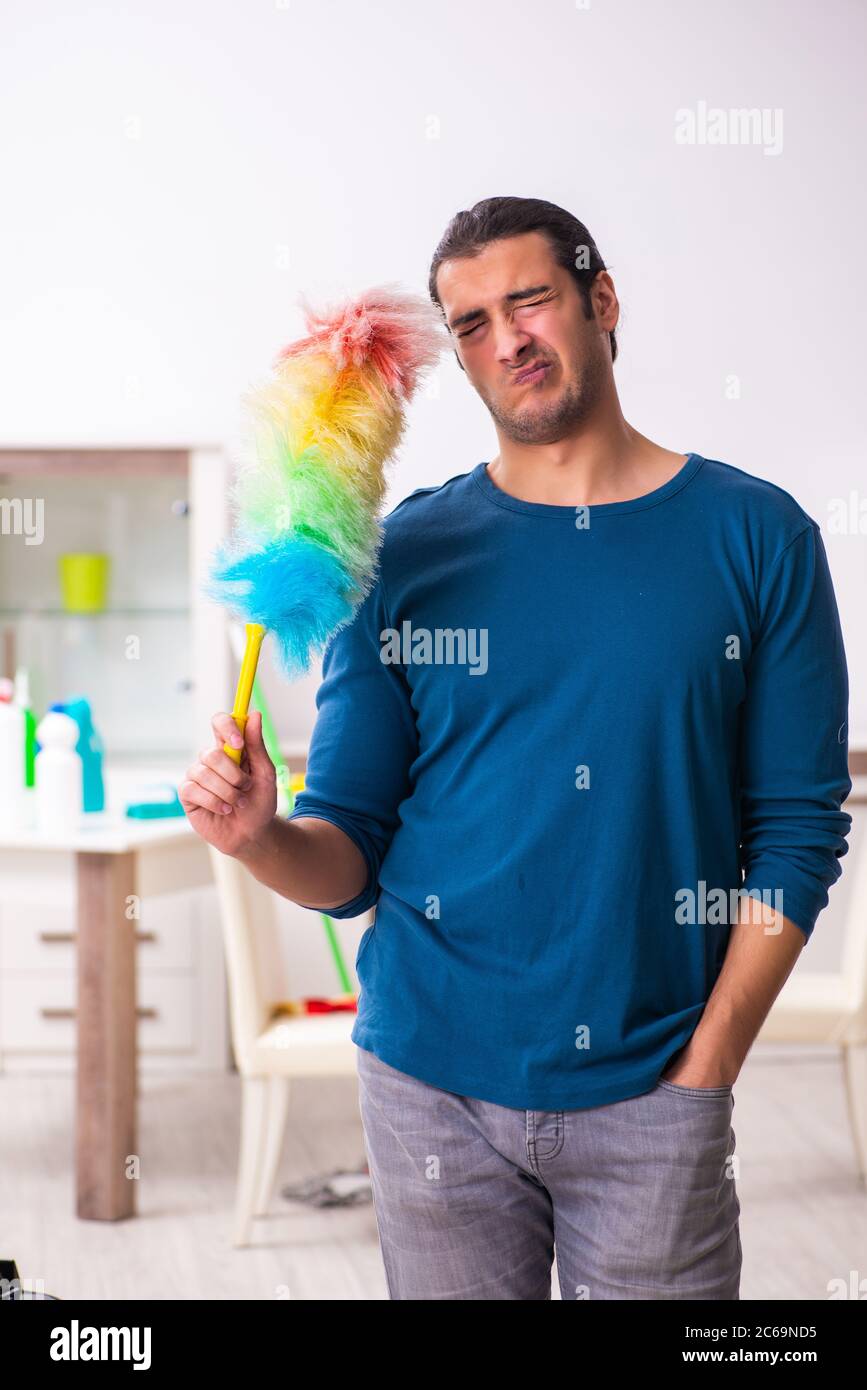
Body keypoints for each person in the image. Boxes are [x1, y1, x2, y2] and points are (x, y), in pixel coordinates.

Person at [180, 196, 853, 1300]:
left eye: (530, 300)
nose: (508, 340)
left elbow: (794, 833)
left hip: (657, 1090)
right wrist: (261, 838)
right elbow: (348, 852)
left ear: (601, 300)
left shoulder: (758, 537)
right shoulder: (397, 559)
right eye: (472, 323)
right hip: (427, 1082)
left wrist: (710, 1065)